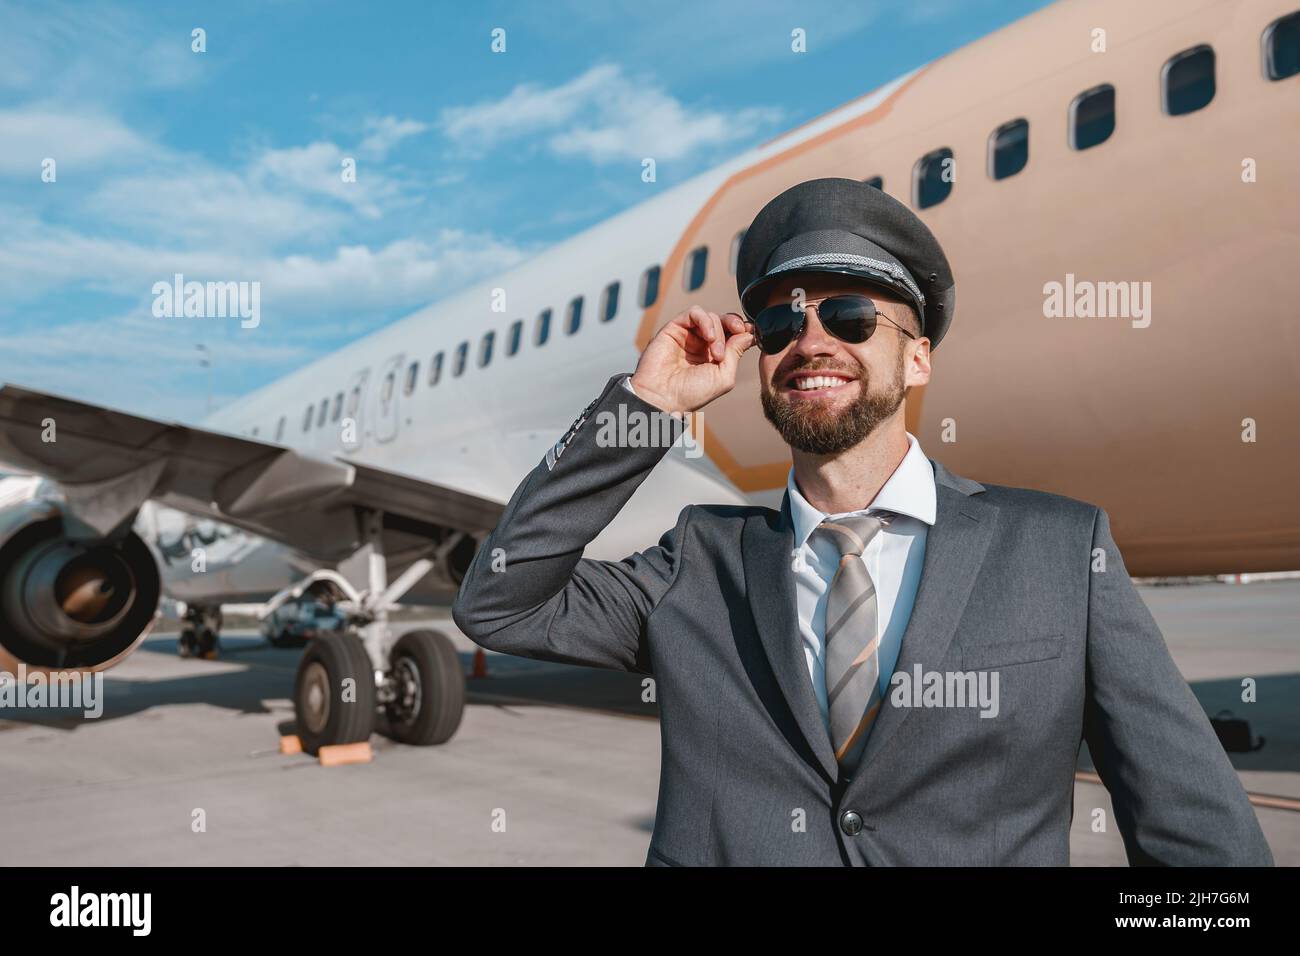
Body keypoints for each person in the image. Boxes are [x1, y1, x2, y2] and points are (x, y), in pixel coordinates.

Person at [453, 177, 1272, 866]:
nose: (810, 341)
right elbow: (499, 602)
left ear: (917, 359)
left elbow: (1201, 844)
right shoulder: (697, 563)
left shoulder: (1060, 551)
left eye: (849, 317)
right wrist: (644, 408)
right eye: (780, 323)